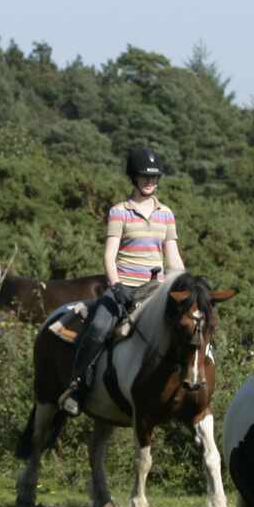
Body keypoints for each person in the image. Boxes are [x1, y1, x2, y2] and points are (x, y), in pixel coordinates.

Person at [59, 146, 184, 417]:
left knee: (190, 326)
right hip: (123, 287)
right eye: (144, 177)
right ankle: (77, 386)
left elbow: (173, 258)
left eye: (154, 177)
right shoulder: (120, 211)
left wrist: (184, 284)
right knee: (99, 327)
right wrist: (116, 287)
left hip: (155, 290)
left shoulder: (166, 213)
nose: (150, 182)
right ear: (134, 177)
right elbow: (109, 256)